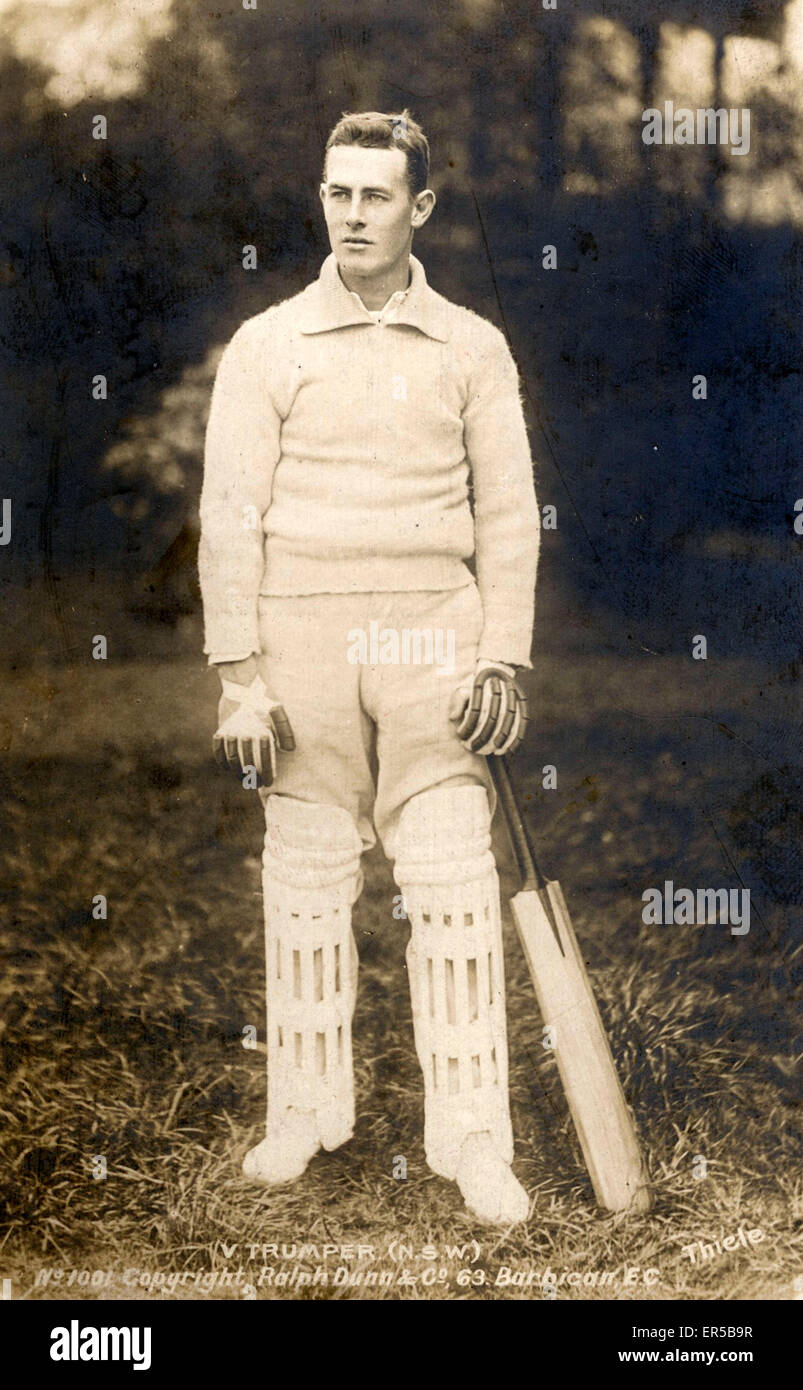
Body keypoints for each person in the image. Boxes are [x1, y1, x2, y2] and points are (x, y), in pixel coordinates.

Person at [199, 109, 540, 1225]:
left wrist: (503, 658)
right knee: (303, 881)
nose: (352, 213)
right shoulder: (268, 344)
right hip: (302, 633)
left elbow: (507, 521)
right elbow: (228, 517)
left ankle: (473, 1137)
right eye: (337, 193)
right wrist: (238, 677)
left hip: (432, 635)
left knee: (448, 883)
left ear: (419, 207)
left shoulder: (472, 346)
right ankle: (302, 1114)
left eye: (376, 194)